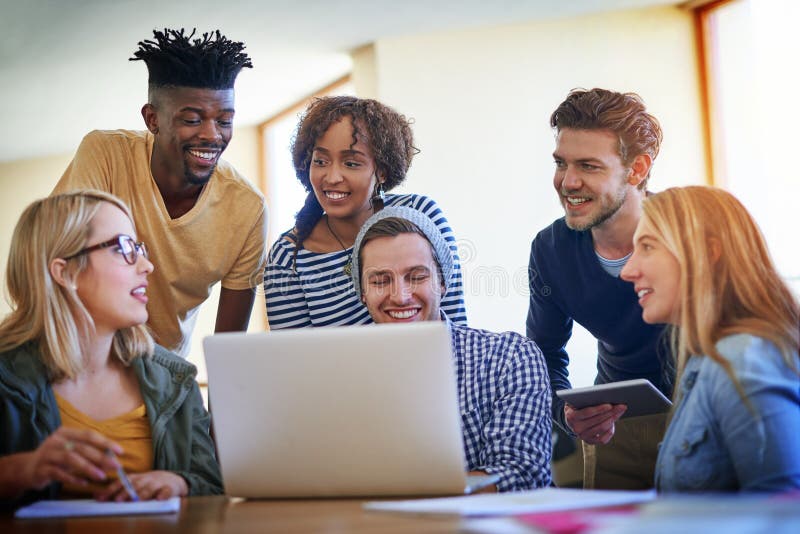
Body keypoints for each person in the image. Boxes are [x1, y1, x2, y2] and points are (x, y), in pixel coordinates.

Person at [0, 190, 222, 509]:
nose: (147, 266)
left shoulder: (177, 380)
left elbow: (214, 487)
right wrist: (22, 470)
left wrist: (181, 483)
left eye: (139, 249)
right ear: (65, 272)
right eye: (123, 249)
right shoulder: (5, 380)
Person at [53, 28, 267, 356]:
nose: (212, 135)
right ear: (152, 119)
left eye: (225, 120)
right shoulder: (105, 156)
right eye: (193, 119)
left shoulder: (247, 209)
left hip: (161, 373)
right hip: (80, 352)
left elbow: (230, 348)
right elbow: (59, 266)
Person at [526, 88, 672, 489]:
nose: (568, 182)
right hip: (611, 422)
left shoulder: (685, 230)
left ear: (637, 169)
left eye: (588, 166)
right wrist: (568, 414)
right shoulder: (550, 249)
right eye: (561, 163)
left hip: (700, 412)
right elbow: (544, 354)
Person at [350, 206, 552, 492]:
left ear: (443, 282)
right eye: (381, 281)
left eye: (417, 277)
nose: (400, 296)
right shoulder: (339, 372)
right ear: (362, 291)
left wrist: (417, 497)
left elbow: (522, 473)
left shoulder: (508, 358)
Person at [620, 186, 800, 492]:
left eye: (648, 247)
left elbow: (782, 512)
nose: (627, 270)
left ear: (709, 253)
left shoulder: (742, 359)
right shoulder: (705, 361)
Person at [264, 96, 466, 329]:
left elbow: (456, 328)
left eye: (351, 164)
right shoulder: (288, 257)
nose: (332, 177)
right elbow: (294, 359)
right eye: (320, 161)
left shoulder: (419, 215)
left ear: (382, 171)